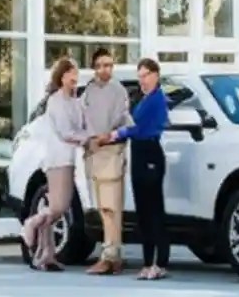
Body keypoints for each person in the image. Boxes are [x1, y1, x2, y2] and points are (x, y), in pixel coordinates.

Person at [103, 57, 170, 281]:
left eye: (146, 76)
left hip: (150, 153)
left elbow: (140, 128)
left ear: (155, 75)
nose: (142, 81)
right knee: (143, 211)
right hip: (140, 154)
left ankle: (159, 263)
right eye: (139, 77)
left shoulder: (157, 100)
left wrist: (118, 134)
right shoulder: (144, 99)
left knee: (153, 210)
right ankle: (148, 262)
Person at [20, 58, 87, 271]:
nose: (75, 78)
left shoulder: (74, 100)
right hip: (57, 158)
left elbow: (82, 122)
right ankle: (30, 225)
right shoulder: (56, 101)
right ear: (62, 76)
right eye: (71, 74)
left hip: (69, 158)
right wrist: (88, 137)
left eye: (76, 74)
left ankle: (45, 255)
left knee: (58, 207)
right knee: (58, 207)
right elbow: (65, 132)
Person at [81, 48, 131, 275]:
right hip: (93, 154)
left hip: (111, 152)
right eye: (101, 65)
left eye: (109, 65)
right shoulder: (89, 91)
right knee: (102, 208)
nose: (105, 69)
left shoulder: (118, 90)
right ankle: (110, 255)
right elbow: (83, 118)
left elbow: (124, 122)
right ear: (94, 67)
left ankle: (111, 255)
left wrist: (106, 137)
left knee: (112, 207)